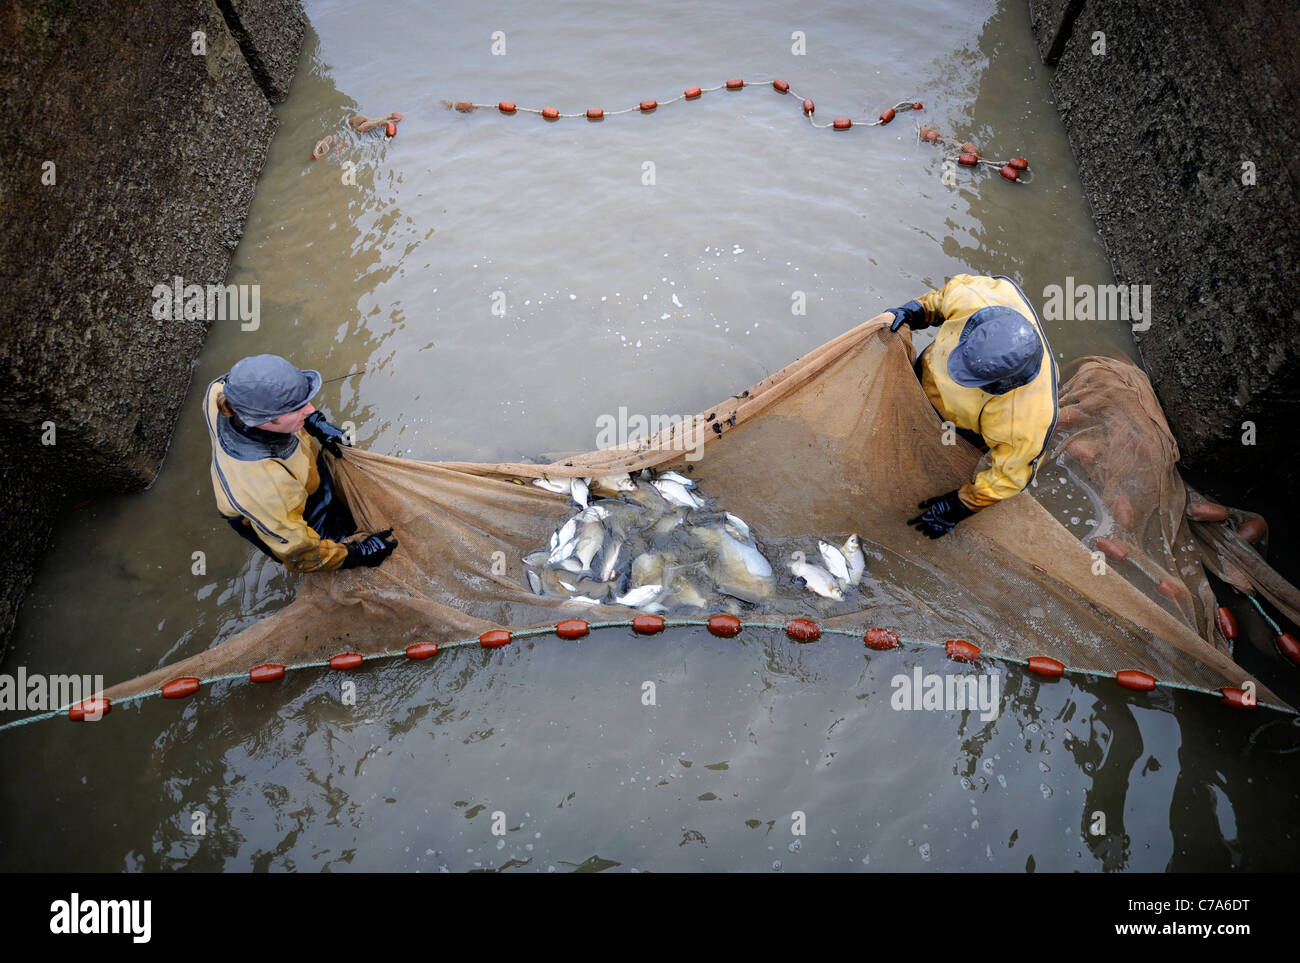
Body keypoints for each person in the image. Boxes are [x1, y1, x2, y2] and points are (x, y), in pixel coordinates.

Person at [886, 274, 1059, 539]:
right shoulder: (975, 296)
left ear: (1001, 383)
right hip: (923, 379)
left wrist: (957, 506)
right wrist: (913, 312)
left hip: (960, 432)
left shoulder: (1028, 417)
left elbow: (1007, 477)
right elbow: (939, 301)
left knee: (924, 469)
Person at [203, 354, 398, 571]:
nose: (309, 409)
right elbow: (303, 554)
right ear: (265, 420)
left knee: (336, 507)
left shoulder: (222, 391)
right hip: (275, 511)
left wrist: (315, 422)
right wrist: (359, 553)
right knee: (329, 541)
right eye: (297, 409)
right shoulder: (265, 489)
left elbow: (256, 385)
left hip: (302, 472)